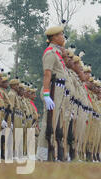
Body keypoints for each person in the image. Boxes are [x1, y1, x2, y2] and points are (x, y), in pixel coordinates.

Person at [37, 21, 68, 161]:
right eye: (61, 35)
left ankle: (50, 154)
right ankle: (42, 155)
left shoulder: (57, 52)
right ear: (54, 37)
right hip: (53, 89)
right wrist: (46, 94)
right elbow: (47, 74)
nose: (63, 37)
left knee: (53, 123)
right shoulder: (50, 53)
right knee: (47, 123)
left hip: (59, 90)